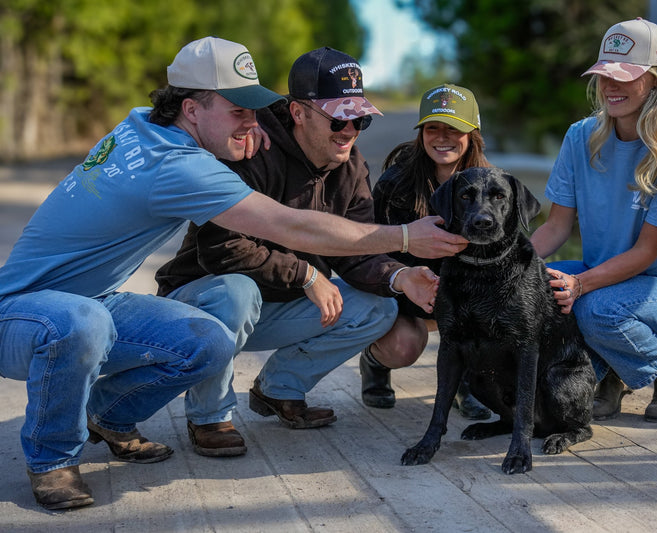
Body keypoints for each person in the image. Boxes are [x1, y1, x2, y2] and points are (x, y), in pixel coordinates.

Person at [0, 37, 466, 511]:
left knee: (210, 342)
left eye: (255, 110)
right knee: (86, 322)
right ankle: (52, 459)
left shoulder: (143, 125)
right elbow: (290, 226)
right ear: (191, 109)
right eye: (239, 110)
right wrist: (403, 238)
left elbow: (200, 135)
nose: (252, 121)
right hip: (20, 315)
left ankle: (109, 414)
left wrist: (231, 136)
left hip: (96, 298)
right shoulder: (180, 166)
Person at [155, 47, 439, 453]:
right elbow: (222, 249)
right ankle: (210, 415)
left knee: (379, 307)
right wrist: (305, 274)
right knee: (237, 292)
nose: (350, 131)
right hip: (204, 305)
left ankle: (279, 389)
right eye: (339, 119)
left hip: (278, 303)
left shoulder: (351, 167)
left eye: (360, 120)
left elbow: (356, 249)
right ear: (299, 112)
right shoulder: (250, 148)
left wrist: (400, 276)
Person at [529, 18, 657, 423]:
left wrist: (580, 284)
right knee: (532, 289)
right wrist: (508, 266)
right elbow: (556, 227)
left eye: (624, 76)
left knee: (595, 309)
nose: (610, 85)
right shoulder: (580, 137)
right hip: (608, 276)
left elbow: (646, 253)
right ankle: (608, 374)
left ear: (654, 79)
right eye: (604, 74)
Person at [369, 83, 494, 419]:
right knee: (403, 346)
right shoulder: (394, 183)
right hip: (406, 293)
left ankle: (468, 382)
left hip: (463, 298)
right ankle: (374, 362)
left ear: (472, 133)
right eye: (432, 128)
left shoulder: (489, 186)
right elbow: (372, 249)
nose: (442, 137)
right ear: (421, 132)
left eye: (453, 128)